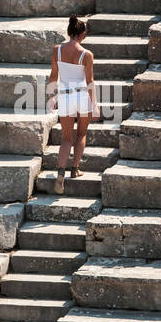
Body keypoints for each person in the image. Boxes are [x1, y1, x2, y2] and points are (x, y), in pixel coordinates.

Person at [47, 14, 98, 194]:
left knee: (66, 138)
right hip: (82, 96)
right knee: (82, 134)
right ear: (82, 34)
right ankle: (75, 169)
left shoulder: (57, 50)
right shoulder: (87, 54)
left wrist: (50, 97)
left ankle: (60, 171)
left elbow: (54, 75)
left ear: (69, 32)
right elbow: (90, 81)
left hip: (65, 97)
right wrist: (95, 105)